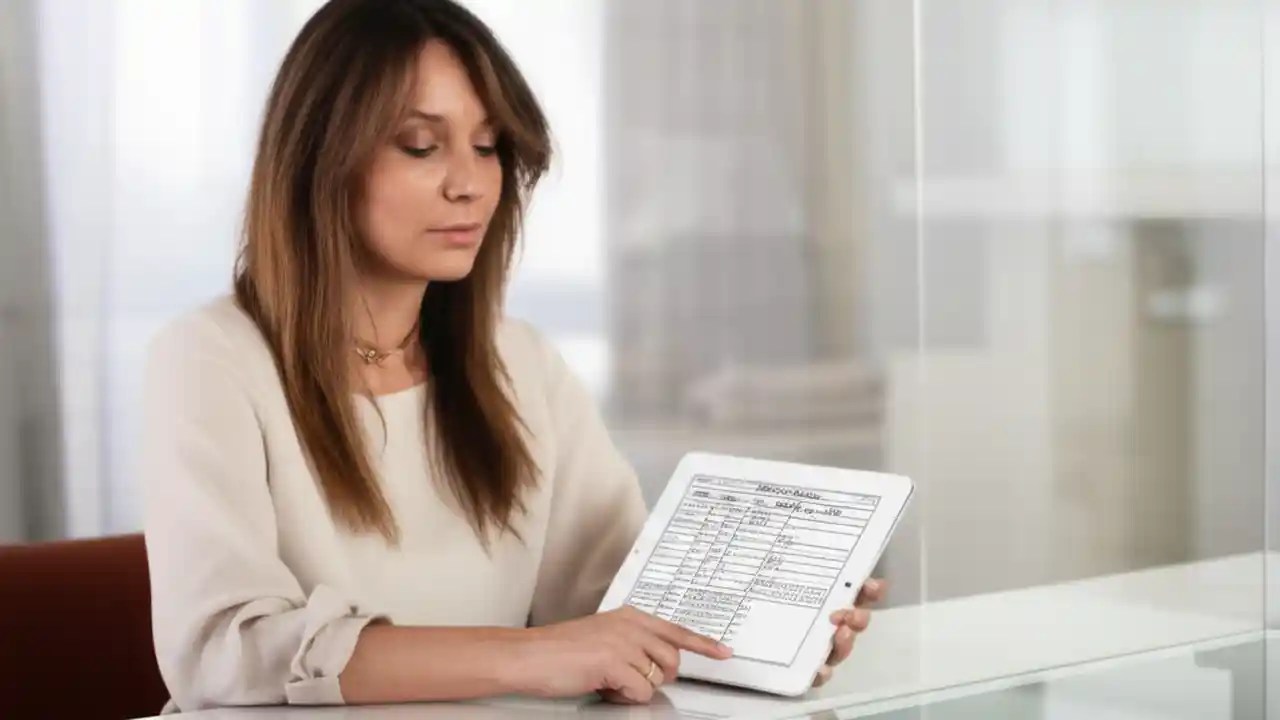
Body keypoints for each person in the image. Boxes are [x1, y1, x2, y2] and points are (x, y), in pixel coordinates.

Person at [140, 0, 882, 712]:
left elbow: (612, 601)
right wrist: (534, 654)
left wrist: (760, 635)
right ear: (318, 160)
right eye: (421, 146)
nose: (469, 184)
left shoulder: (519, 363)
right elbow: (223, 650)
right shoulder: (210, 361)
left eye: (489, 146)